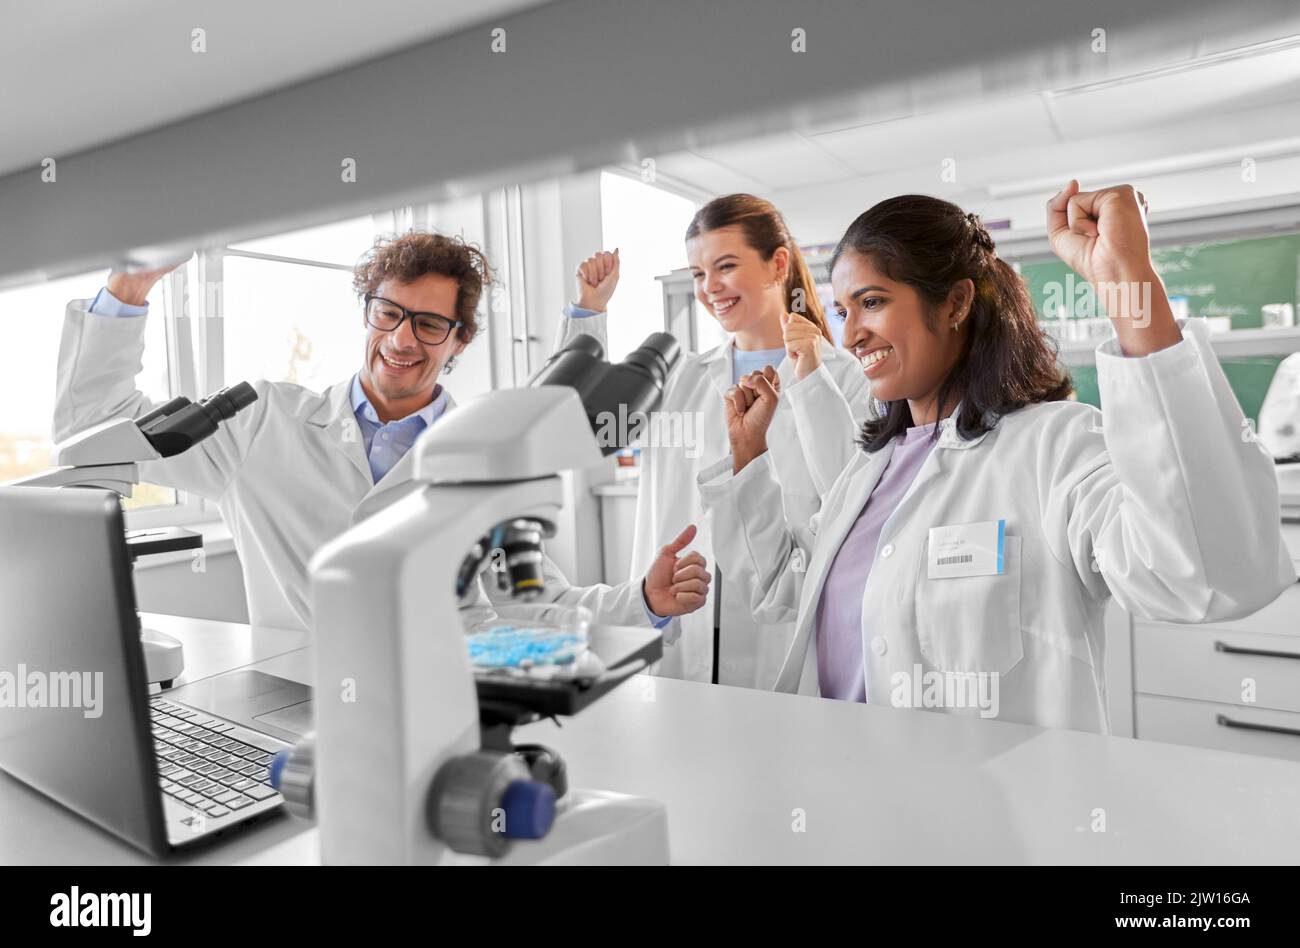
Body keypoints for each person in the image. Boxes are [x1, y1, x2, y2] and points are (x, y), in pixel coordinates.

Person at [700, 181, 1294, 732]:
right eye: (842, 311)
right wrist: (748, 456)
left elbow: (1203, 576)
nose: (850, 333)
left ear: (956, 303)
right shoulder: (868, 469)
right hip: (848, 809)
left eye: (872, 302)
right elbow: (782, 592)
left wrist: (1127, 283)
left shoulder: (1053, 447)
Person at [53, 232, 710, 633]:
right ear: (367, 312)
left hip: (437, 702)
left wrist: (643, 600)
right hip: (290, 699)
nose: (401, 339)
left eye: (428, 324)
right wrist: (130, 286)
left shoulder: (492, 451)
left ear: (459, 340)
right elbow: (93, 426)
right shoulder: (259, 421)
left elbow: (533, 600)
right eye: (388, 313)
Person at [557, 195, 871, 687]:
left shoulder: (842, 378)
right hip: (684, 615)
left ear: (778, 263)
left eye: (725, 266)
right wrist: (587, 313)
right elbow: (580, 426)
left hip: (783, 625)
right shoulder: (681, 378)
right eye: (699, 274)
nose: (710, 288)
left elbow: (853, 501)